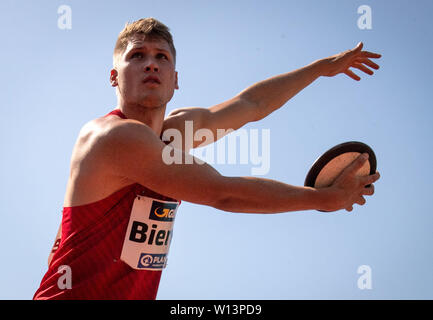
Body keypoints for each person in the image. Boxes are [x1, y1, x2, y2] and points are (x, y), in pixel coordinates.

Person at [33, 17, 381, 300]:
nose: (151, 63)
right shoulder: (115, 136)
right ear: (114, 77)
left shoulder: (172, 134)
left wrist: (321, 68)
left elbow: (251, 106)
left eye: (162, 57)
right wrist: (323, 199)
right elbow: (222, 192)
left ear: (175, 81)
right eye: (137, 56)